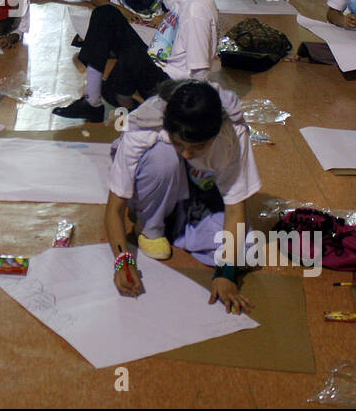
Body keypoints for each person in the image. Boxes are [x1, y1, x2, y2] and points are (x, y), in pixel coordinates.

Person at [103, 80, 257, 313]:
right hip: (155, 179)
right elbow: (114, 208)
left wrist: (226, 274)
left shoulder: (232, 135)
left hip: (199, 191)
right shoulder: (145, 127)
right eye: (179, 143)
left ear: (215, 133)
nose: (186, 153)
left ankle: (176, 221)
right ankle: (150, 223)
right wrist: (122, 262)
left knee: (247, 249)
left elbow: (236, 209)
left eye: (197, 147)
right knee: (165, 158)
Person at [53, 0, 182, 122]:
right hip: (123, 27)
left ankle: (100, 100)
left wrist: (163, 18)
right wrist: (124, 11)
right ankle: (92, 99)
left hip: (148, 36)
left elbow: (177, 7)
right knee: (105, 13)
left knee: (102, 42)